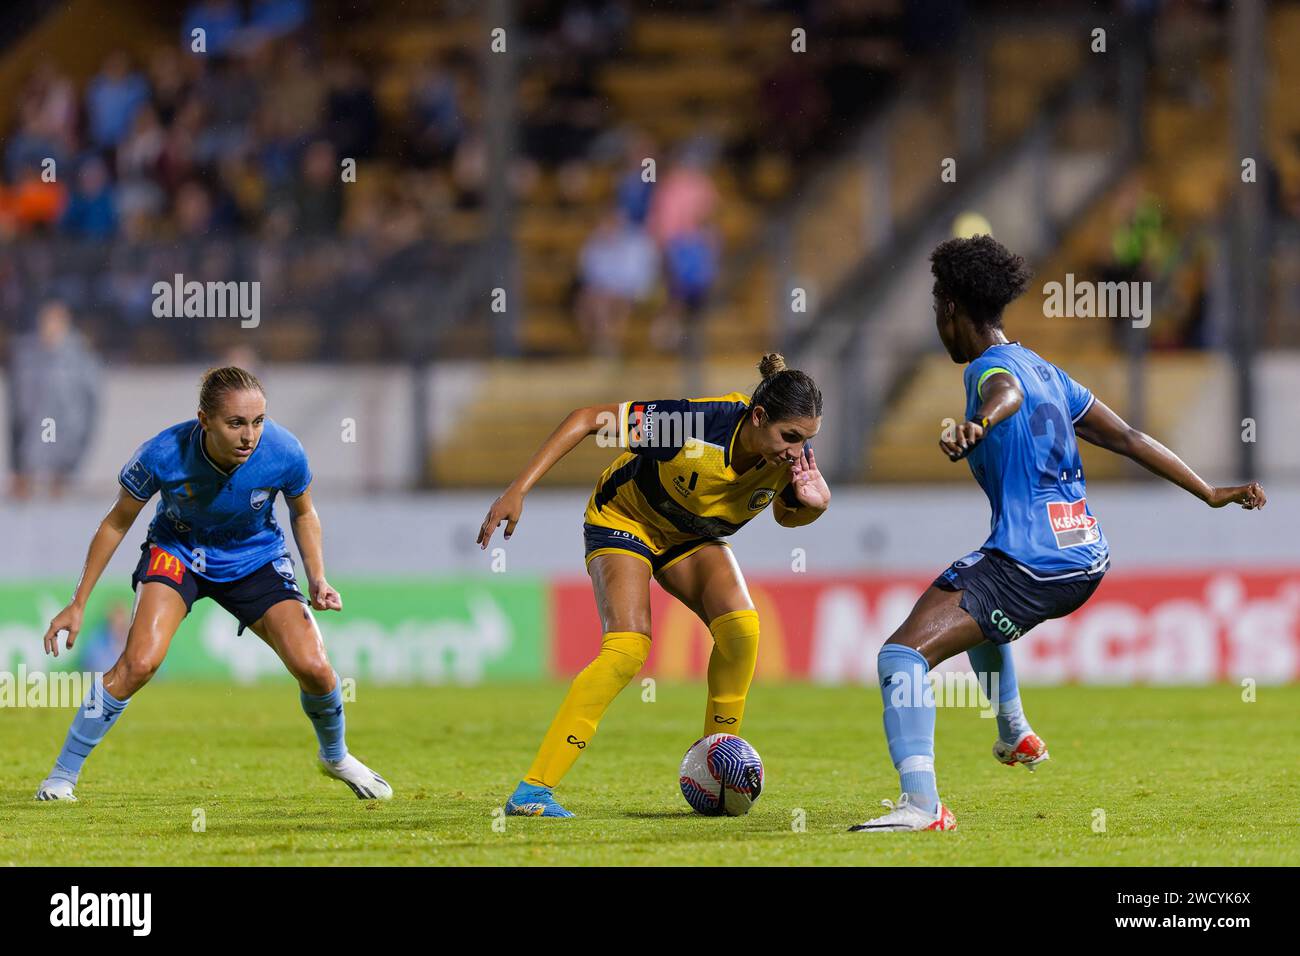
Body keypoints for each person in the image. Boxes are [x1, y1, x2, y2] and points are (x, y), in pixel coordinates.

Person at [851, 235, 1266, 832]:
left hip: (1031, 564)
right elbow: (1127, 437)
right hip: (1085, 557)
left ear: (950, 309)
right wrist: (1209, 491)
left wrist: (977, 423)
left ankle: (921, 806)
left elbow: (1005, 396)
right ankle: (1015, 732)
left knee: (901, 655)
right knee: (968, 591)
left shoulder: (994, 372)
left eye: (937, 308)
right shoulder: (1045, 368)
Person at [478, 352, 831, 817]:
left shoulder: (785, 457)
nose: (797, 450)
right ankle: (533, 791)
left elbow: (786, 513)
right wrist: (517, 489)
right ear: (759, 416)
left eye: (807, 440)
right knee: (627, 649)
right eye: (790, 437)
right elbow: (585, 420)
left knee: (742, 630)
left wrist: (812, 506)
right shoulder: (688, 426)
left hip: (690, 536)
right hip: (625, 519)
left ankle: (718, 772)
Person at [35, 366, 391, 802]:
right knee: (138, 664)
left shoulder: (284, 451)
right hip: (178, 552)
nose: (250, 436)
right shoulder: (162, 453)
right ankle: (61, 776)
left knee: (315, 667)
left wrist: (317, 577)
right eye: (236, 423)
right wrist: (78, 601)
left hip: (254, 557)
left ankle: (335, 756)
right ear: (204, 420)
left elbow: (303, 512)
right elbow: (115, 523)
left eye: (257, 422)